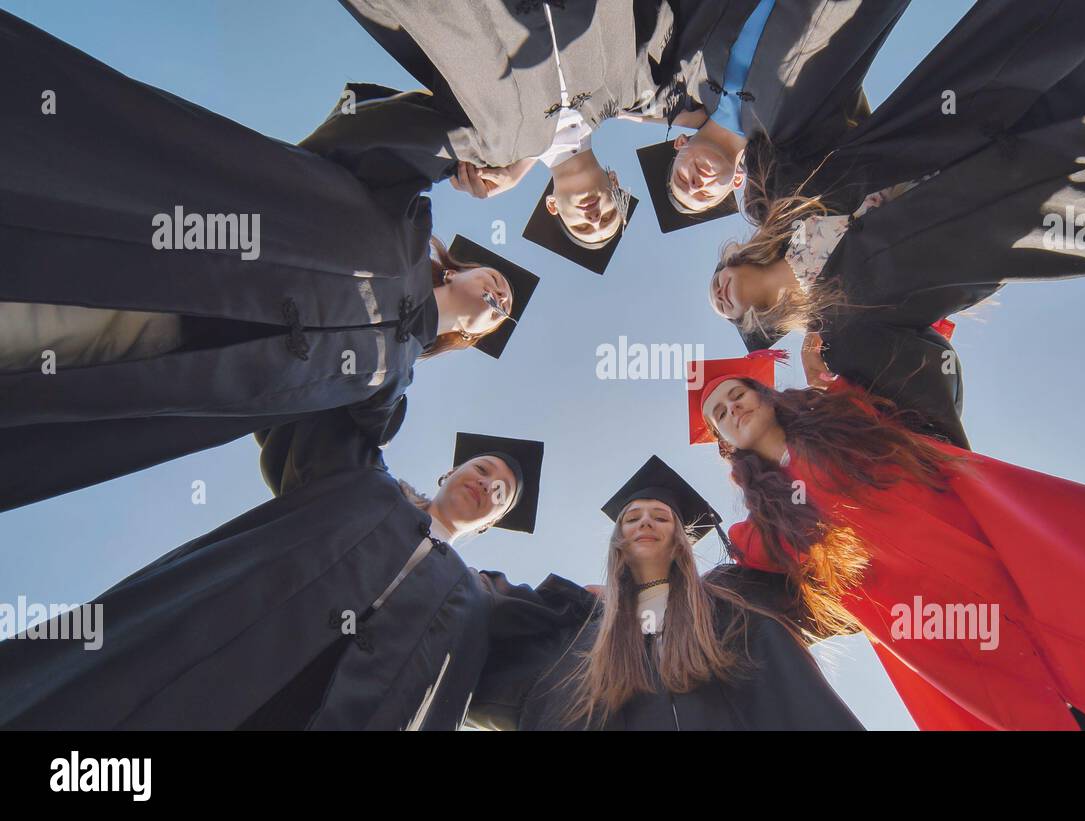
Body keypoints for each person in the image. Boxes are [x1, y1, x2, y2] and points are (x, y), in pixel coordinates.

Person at [0, 10, 539, 511]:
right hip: (157, 245)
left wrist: (417, 517)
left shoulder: (383, 395)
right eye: (498, 282)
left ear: (472, 336)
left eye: (501, 311)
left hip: (154, 357)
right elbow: (375, 136)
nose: (500, 296)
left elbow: (323, 480)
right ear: (462, 267)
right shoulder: (401, 220)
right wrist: (477, 149)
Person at [687, 353, 1085, 730]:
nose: (731, 405)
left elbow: (918, 352)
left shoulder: (848, 412)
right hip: (953, 644)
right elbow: (723, 595)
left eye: (736, 391)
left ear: (765, 392)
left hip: (1016, 566)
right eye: (718, 411)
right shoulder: (763, 532)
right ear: (723, 443)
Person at [717, 0, 1085, 350]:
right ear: (755, 325)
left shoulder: (794, 191)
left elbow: (783, 121)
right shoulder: (850, 330)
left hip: (998, 94)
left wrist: (742, 174)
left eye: (714, 279)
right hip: (1054, 194)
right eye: (723, 310)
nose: (720, 293)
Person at [0, 413, 545, 731]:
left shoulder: (476, 603)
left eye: (501, 495)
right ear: (450, 471)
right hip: (221, 652)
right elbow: (328, 408)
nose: (488, 484)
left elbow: (557, 660)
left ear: (490, 525)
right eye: (483, 468)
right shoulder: (360, 482)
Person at [467, 456, 862, 730]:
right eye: (633, 518)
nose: (646, 523)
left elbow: (818, 566)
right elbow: (476, 631)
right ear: (617, 540)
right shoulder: (578, 628)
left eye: (660, 517)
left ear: (680, 539)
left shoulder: (732, 603)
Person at [333, 0, 666, 248]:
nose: (594, 219)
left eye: (582, 227)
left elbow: (394, 131)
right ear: (615, 181)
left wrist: (505, 161)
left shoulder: (494, 144)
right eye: (608, 217)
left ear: (552, 206)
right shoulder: (626, 87)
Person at [632, 0, 910, 225]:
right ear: (737, 182)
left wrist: (655, 111)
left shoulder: (686, 77)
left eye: (682, 180)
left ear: (680, 144)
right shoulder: (794, 135)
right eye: (705, 194)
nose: (695, 184)